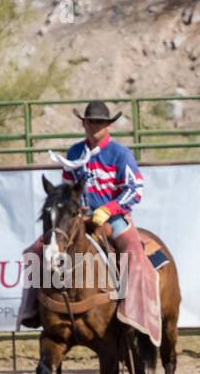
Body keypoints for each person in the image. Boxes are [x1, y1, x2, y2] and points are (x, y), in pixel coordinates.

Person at [60, 100, 152, 300]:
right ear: (83, 124)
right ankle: (36, 309)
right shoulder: (74, 152)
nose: (94, 126)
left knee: (133, 250)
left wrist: (109, 209)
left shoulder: (120, 154)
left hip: (113, 219)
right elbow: (67, 187)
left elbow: (135, 189)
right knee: (41, 248)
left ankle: (136, 309)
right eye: (90, 122)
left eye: (99, 123)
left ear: (108, 125)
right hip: (79, 218)